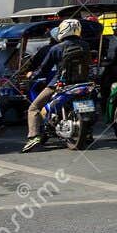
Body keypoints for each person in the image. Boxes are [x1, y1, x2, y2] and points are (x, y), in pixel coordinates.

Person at [23, 18, 90, 152]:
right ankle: (88, 132)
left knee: (33, 108)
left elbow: (44, 69)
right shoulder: (85, 45)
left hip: (60, 83)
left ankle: (33, 137)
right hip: (83, 82)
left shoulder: (56, 48)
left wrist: (32, 75)